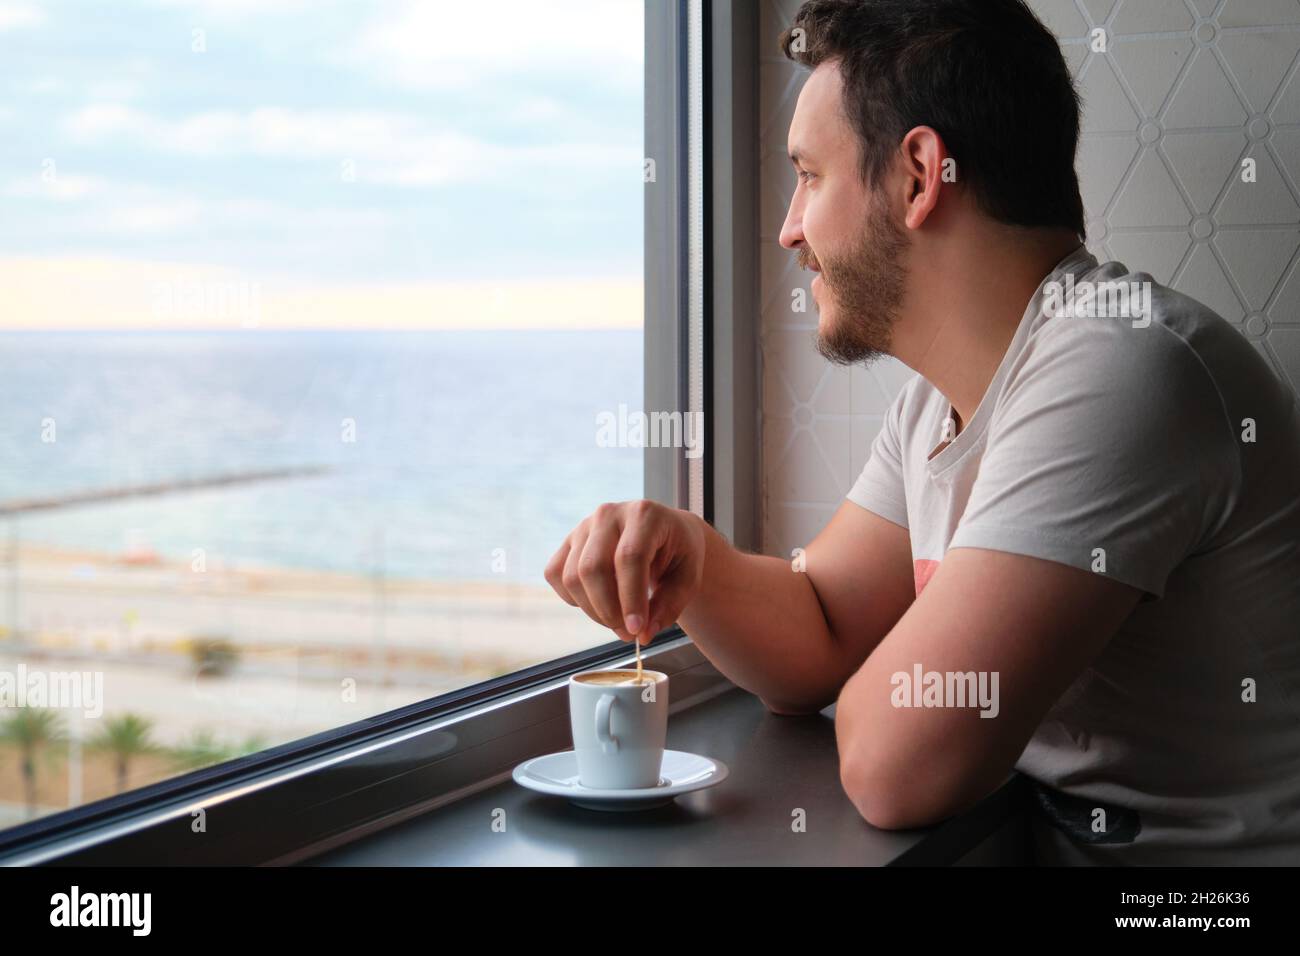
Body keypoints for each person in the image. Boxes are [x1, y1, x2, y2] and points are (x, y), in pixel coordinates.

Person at [545, 0, 1300, 865]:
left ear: (918, 175)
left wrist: (906, 672)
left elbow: (894, 767)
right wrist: (695, 558)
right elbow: (823, 627)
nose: (790, 228)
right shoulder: (937, 403)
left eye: (810, 176)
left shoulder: (1122, 371)